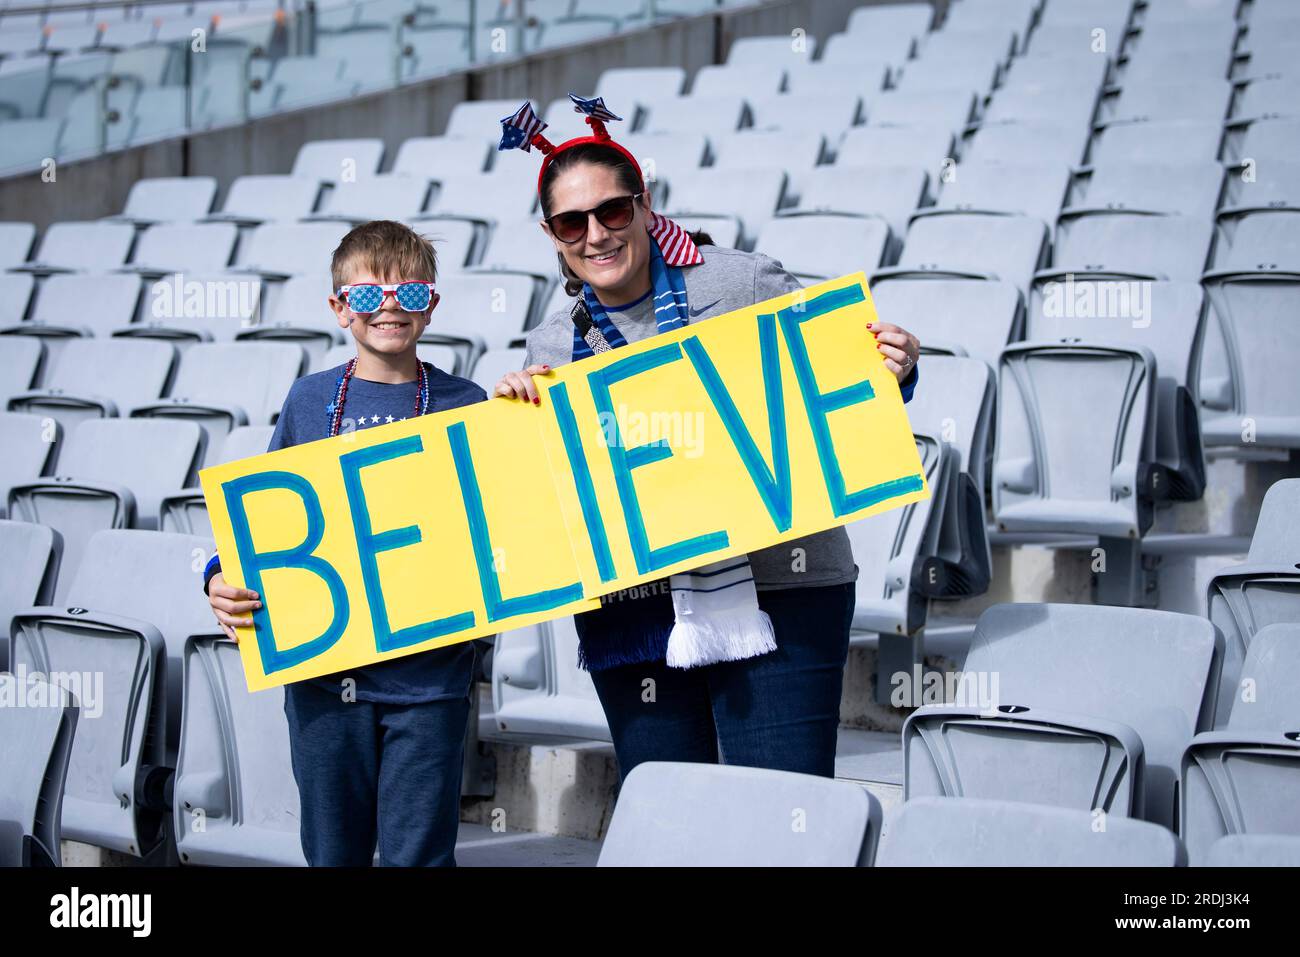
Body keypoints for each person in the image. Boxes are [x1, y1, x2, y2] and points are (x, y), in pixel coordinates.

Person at [491, 95, 922, 782]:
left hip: (783, 585)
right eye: (572, 222)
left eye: (613, 211)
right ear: (552, 234)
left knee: (782, 806)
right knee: (670, 811)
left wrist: (893, 368)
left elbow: (834, 385)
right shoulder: (549, 346)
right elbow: (551, 497)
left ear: (644, 204)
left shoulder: (743, 281)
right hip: (636, 609)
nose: (596, 235)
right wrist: (515, 421)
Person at [202, 220, 486, 865]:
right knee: (333, 852)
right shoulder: (308, 400)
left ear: (431, 305)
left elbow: (504, 515)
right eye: (366, 295)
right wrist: (218, 575)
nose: (389, 307)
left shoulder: (467, 403)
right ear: (339, 308)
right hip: (326, 679)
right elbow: (267, 517)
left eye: (409, 293)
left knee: (420, 855)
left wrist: (524, 406)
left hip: (430, 680)